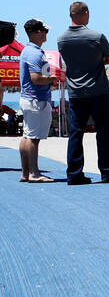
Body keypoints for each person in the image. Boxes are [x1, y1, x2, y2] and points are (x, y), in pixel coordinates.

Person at [57, 1, 109, 185]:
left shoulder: (61, 39)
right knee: (104, 132)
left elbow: (70, 61)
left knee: (76, 133)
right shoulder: (96, 36)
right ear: (85, 13)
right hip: (98, 90)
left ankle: (74, 173)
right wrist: (98, 61)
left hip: (76, 93)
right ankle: (108, 171)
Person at [18, 19, 57, 183]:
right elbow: (36, 78)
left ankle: (26, 173)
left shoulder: (27, 51)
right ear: (39, 32)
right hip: (36, 99)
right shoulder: (34, 53)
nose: (47, 34)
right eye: (45, 31)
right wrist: (51, 79)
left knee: (27, 136)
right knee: (33, 138)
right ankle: (34, 173)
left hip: (28, 98)